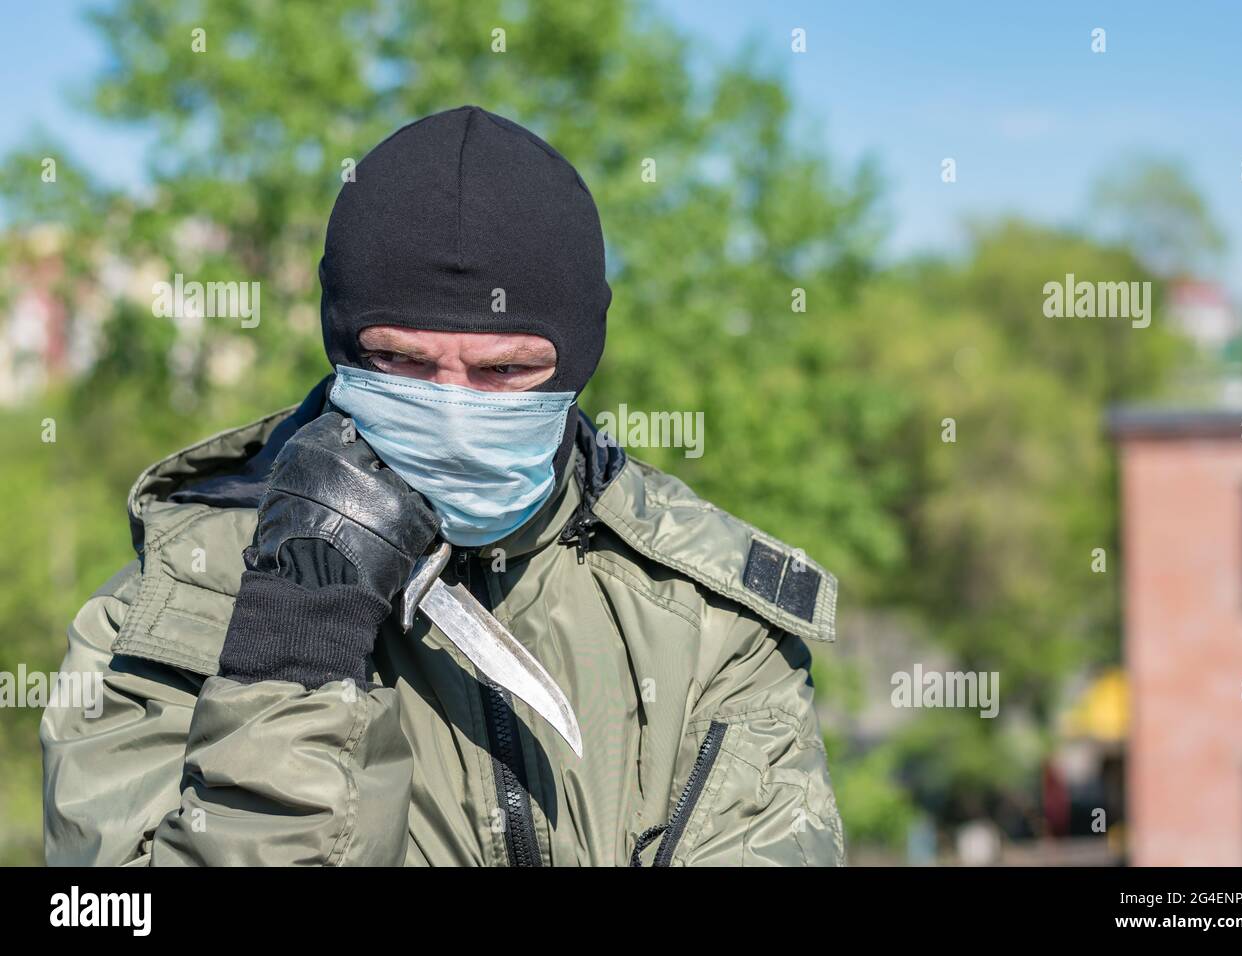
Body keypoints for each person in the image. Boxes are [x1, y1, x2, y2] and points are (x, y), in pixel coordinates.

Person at [40, 106, 844, 866]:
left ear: (580, 359)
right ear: (342, 346)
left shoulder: (711, 622)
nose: (455, 411)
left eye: (506, 371)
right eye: (403, 363)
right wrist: (290, 660)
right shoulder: (176, 604)